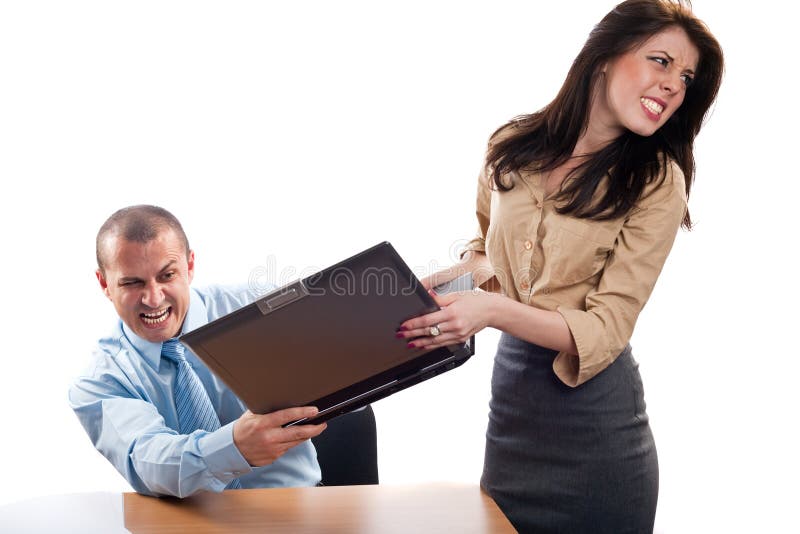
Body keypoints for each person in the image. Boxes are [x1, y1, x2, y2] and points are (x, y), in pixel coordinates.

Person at [396, 1, 723, 532]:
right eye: (661, 61)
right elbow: (486, 254)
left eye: (686, 77)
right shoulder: (510, 147)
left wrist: (492, 310)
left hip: (599, 429)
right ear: (604, 57)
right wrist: (427, 287)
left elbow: (606, 328)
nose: (674, 85)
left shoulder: (657, 181)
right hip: (513, 416)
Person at [69, 205, 327, 498]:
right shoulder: (100, 382)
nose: (153, 299)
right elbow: (148, 462)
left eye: (167, 276)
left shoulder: (258, 310)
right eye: (132, 283)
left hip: (297, 510)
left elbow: (342, 373)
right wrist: (234, 448)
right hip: (186, 525)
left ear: (189, 267)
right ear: (105, 284)